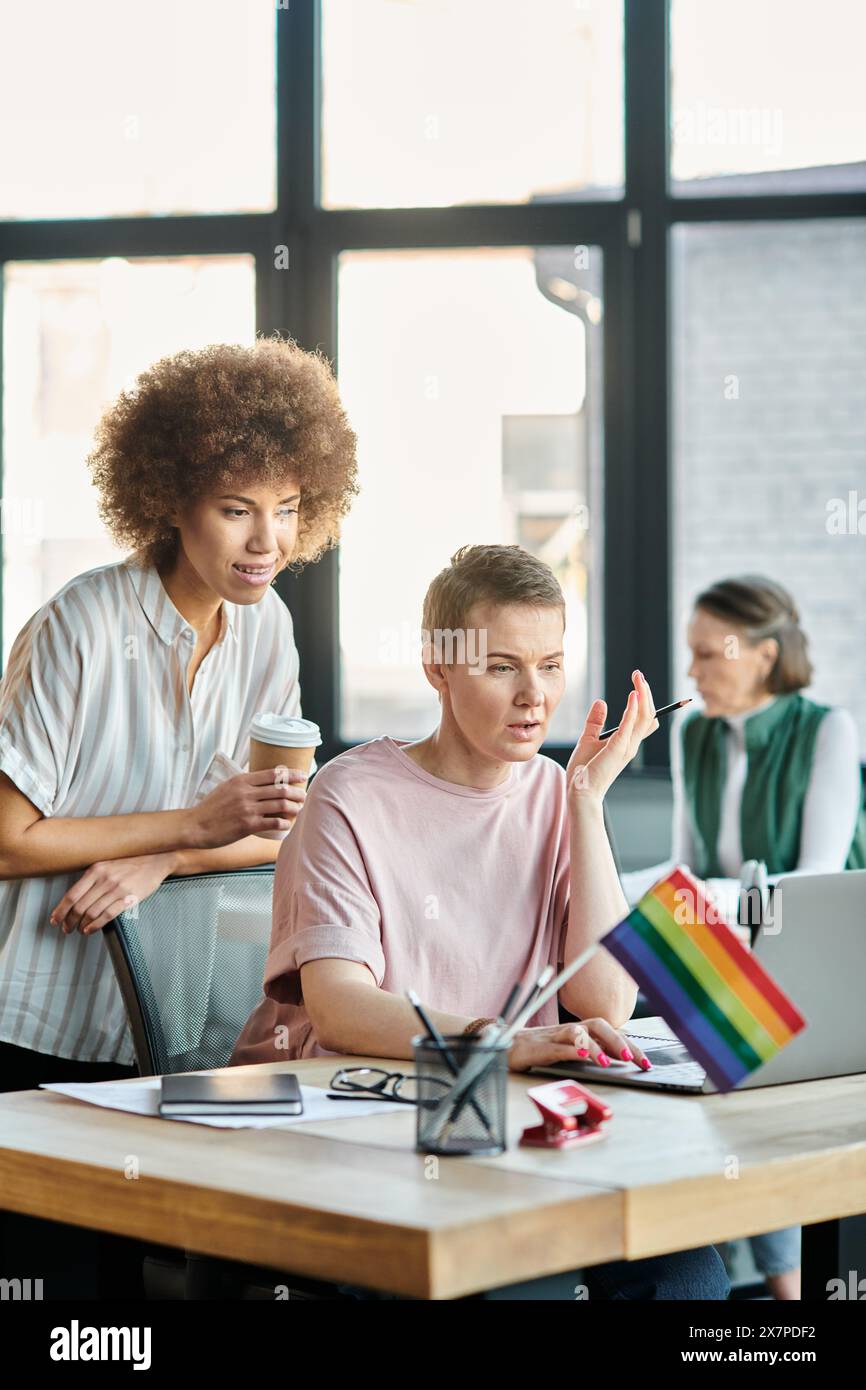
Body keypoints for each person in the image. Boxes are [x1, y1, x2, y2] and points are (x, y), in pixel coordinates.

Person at [231, 543, 730, 1301]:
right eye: (502, 667)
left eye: (552, 664)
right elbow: (340, 1007)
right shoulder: (346, 798)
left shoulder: (554, 797)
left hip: (501, 1122)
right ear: (437, 666)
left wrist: (587, 802)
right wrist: (506, 1045)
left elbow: (606, 1004)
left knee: (686, 1274)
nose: (535, 695)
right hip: (359, 1126)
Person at [0, 335, 358, 1294]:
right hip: (32, 1016)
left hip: (169, 1023)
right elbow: (6, 840)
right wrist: (188, 828)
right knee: (61, 1294)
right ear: (169, 498)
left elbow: (273, 824)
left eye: (287, 510)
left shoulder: (267, 628)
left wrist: (167, 857)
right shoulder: (82, 625)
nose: (267, 541)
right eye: (237, 509)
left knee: (152, 1292)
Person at [633, 575, 865, 1300]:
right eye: (691, 656)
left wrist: (685, 900)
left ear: (764, 656)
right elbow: (686, 864)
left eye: (708, 656)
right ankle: (750, 1270)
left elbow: (812, 878)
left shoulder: (827, 728)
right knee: (701, 1036)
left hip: (817, 949)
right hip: (734, 941)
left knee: (740, 1048)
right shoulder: (694, 730)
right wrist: (618, 886)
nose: (693, 674)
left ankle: (785, 1283)